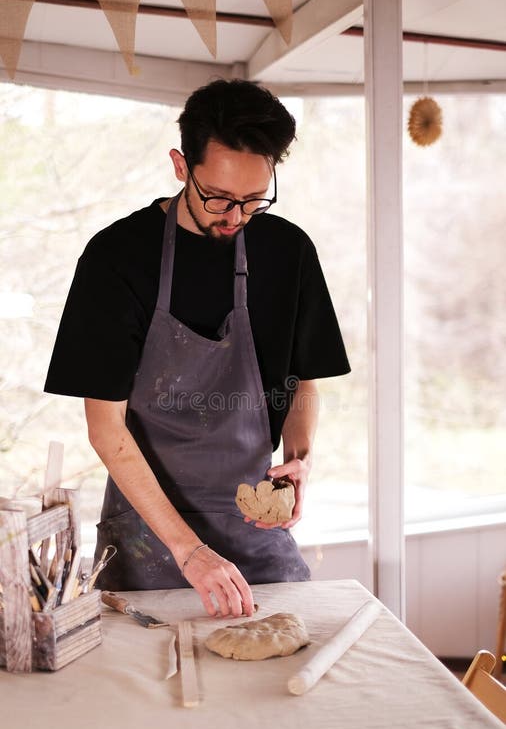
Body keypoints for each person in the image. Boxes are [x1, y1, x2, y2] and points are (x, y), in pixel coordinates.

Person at [45, 79, 350, 618]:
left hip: (254, 528)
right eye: (219, 198)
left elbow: (303, 376)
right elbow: (105, 428)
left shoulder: (288, 252)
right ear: (180, 166)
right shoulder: (117, 259)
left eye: (255, 200)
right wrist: (190, 552)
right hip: (145, 535)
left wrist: (300, 460)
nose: (235, 217)